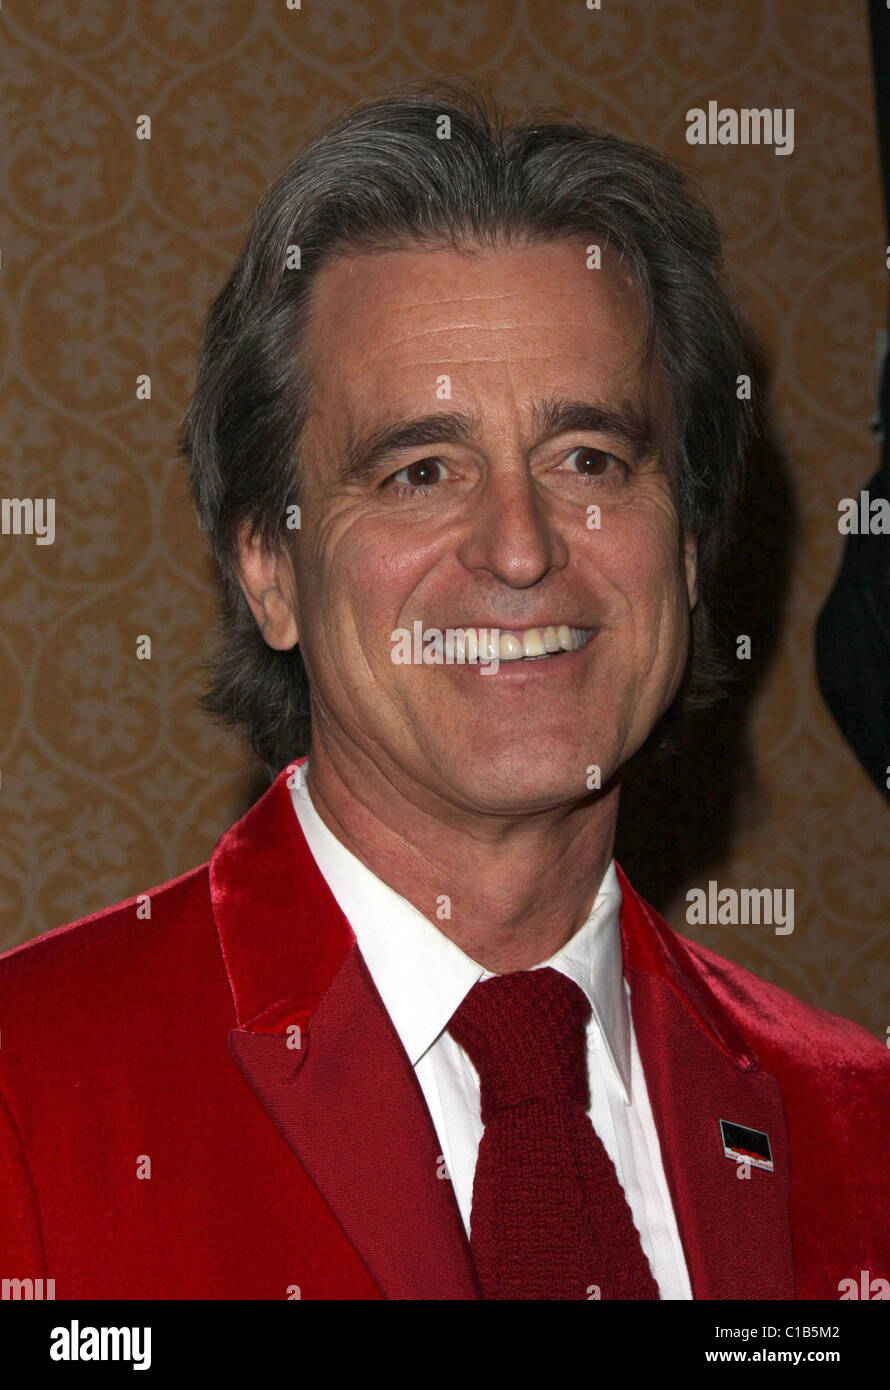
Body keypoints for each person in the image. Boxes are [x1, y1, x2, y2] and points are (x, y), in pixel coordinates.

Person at [0, 81, 886, 1302]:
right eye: (420, 470)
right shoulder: (29, 1099)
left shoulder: (858, 1126)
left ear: (683, 552)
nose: (519, 548)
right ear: (269, 570)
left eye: (588, 458)